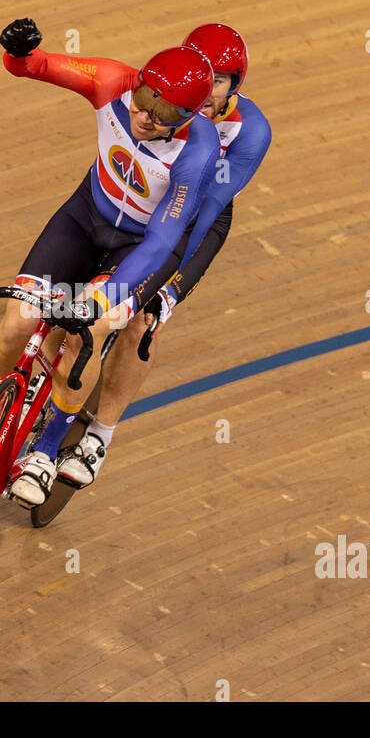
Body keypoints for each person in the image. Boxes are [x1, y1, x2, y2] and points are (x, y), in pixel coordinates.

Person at [0, 17, 220, 508]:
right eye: (145, 99)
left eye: (163, 113)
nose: (145, 116)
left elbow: (163, 241)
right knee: (18, 322)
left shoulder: (198, 151)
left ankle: (45, 448)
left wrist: (102, 300)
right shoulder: (111, 80)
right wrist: (18, 53)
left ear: (187, 116)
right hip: (83, 220)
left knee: (90, 331)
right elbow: (33, 67)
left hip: (135, 245)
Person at [54, 24, 273, 488]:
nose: (208, 87)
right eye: (203, 74)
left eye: (218, 80)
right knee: (64, 294)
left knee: (138, 321)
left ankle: (99, 435)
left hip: (190, 224)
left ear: (236, 83)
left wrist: (157, 283)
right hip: (132, 203)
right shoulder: (165, 98)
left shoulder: (249, 131)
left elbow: (201, 210)